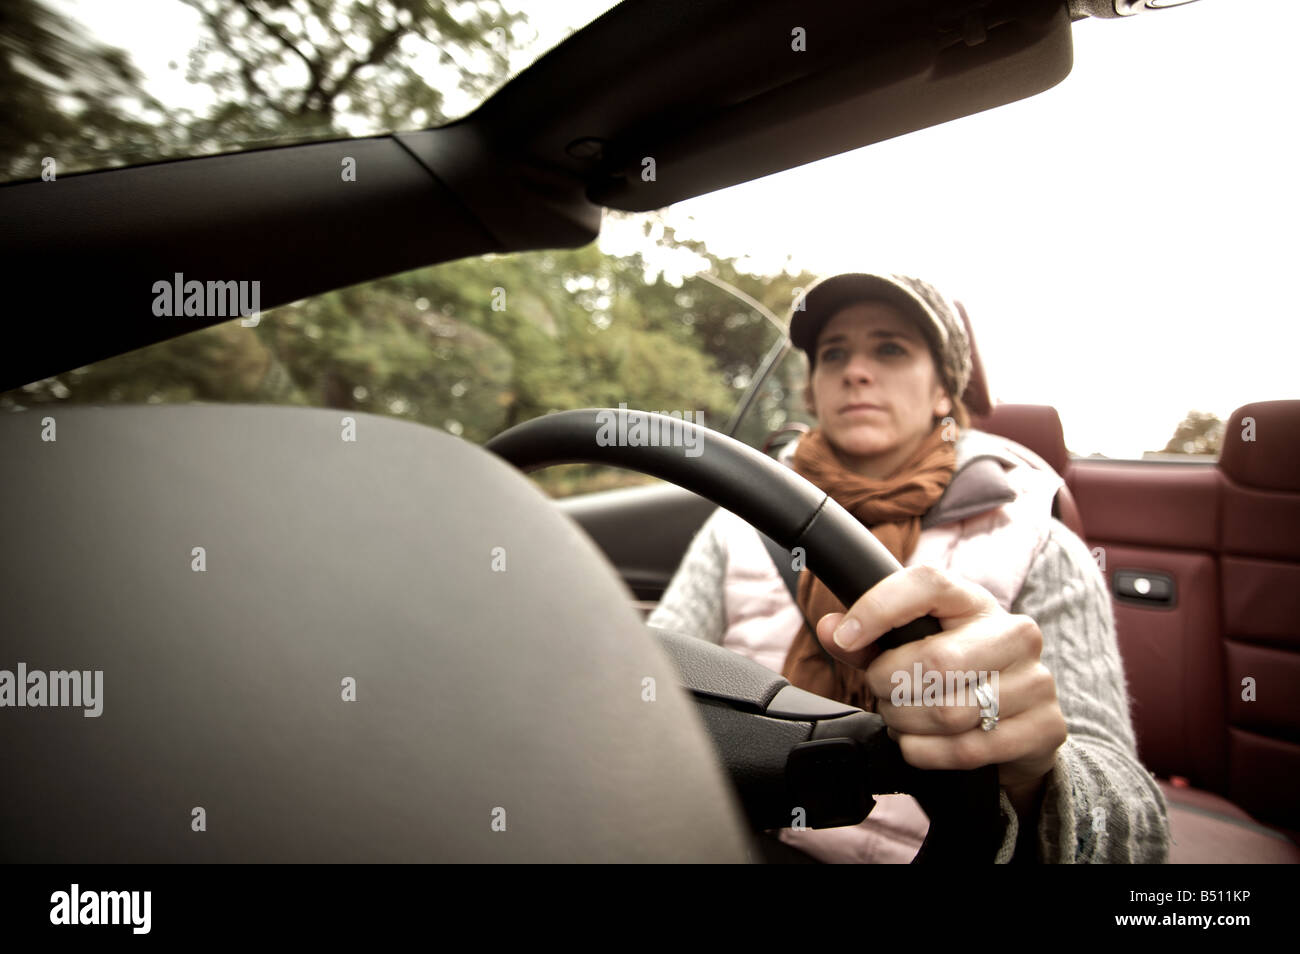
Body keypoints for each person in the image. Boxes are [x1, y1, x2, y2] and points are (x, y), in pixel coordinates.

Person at [646, 272, 1170, 863]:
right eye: (833, 353)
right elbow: (646, 686)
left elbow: (1135, 833)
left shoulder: (1037, 542)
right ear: (814, 391)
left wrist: (1036, 777)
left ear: (945, 392)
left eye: (890, 348)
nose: (855, 370)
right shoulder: (737, 522)